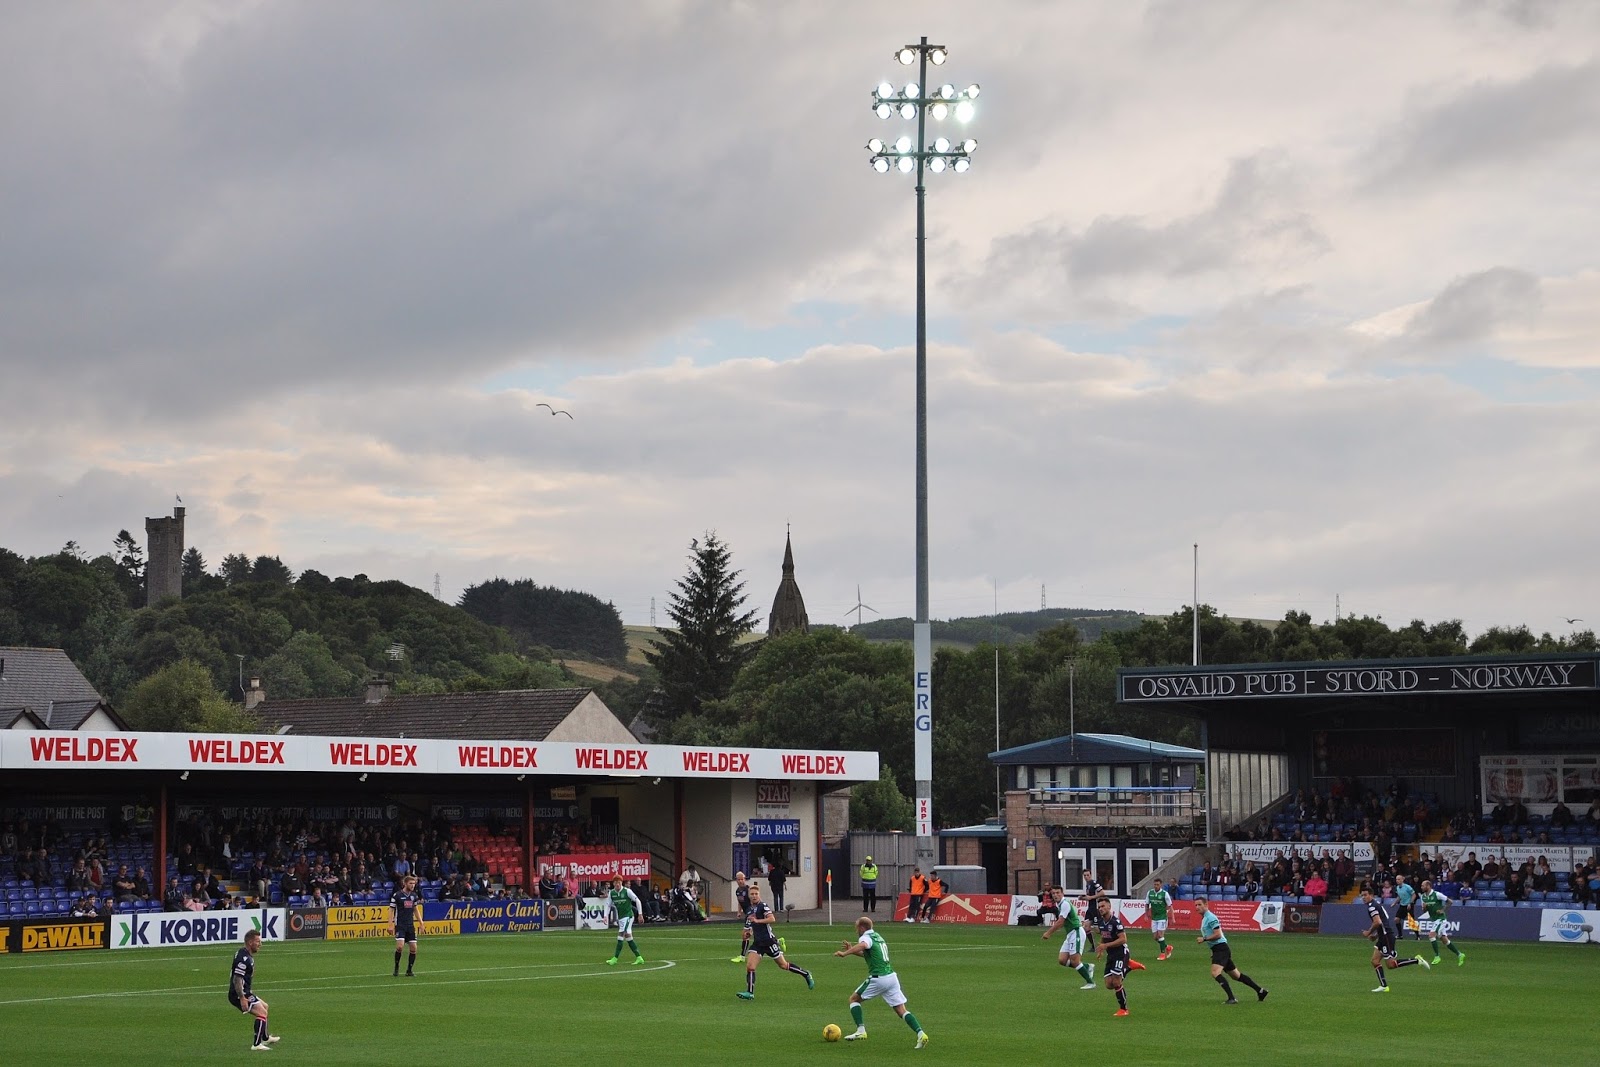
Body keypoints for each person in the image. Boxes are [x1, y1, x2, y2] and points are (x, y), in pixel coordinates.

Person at [834, 916, 928, 1048]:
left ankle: (861, 1030)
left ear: (862, 928)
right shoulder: (878, 936)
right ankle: (921, 1034)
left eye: (857, 928)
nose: (856, 931)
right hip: (891, 978)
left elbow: (863, 945)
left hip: (879, 978)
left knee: (854, 999)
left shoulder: (865, 937)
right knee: (901, 1010)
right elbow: (869, 954)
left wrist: (845, 953)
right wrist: (852, 950)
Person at [736, 884, 813, 999]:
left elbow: (772, 919)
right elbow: (749, 927)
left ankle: (806, 974)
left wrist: (757, 921)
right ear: (749, 896)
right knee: (750, 966)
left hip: (769, 941)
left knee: (783, 965)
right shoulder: (749, 910)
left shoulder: (763, 906)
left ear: (759, 895)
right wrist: (748, 933)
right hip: (758, 943)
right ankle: (750, 993)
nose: (754, 896)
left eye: (756, 894)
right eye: (752, 894)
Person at [1194, 897, 1268, 1004]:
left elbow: (1218, 935)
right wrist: (1213, 951)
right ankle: (1261, 991)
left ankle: (1232, 998)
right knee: (1236, 976)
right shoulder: (1205, 918)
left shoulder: (1210, 917)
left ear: (1206, 905)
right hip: (1218, 949)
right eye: (1196, 905)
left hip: (1221, 949)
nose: (1197, 907)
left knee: (1215, 973)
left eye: (1199, 904)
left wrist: (1204, 939)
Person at [1361, 883, 1429, 992]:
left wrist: (1368, 932)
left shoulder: (1372, 907)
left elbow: (1377, 922)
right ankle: (1384, 986)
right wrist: (1376, 935)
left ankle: (1417, 960)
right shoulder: (1376, 904)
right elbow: (1384, 922)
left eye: (1365, 895)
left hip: (1387, 937)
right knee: (1375, 961)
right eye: (1362, 895)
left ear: (1371, 895)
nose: (1363, 897)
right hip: (1383, 936)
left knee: (1391, 965)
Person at [227, 929, 280, 1052]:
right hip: (239, 994)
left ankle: (265, 1037)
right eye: (257, 941)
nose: (260, 944)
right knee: (262, 1013)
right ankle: (256, 1044)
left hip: (244, 991)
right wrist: (242, 998)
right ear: (250, 942)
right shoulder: (244, 959)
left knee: (265, 1006)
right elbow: (237, 979)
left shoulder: (243, 953)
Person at [1040, 886, 1096, 989]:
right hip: (1070, 934)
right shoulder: (1060, 904)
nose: (1055, 895)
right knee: (1062, 960)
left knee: (1075, 961)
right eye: (1053, 893)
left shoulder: (1065, 904)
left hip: (1076, 932)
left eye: (1058, 893)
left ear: (1062, 893)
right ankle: (1087, 966)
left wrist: (1048, 933)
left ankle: (1090, 982)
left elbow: (1060, 922)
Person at [1093, 895, 1132, 1017]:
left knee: (1116, 982)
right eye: (1099, 907)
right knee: (1108, 984)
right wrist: (1101, 949)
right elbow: (1104, 935)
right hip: (1111, 954)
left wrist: (1106, 945)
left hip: (1121, 953)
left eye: (1103, 906)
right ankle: (1128, 967)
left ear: (1109, 907)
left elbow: (1123, 939)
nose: (1100, 909)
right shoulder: (1101, 922)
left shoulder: (1116, 922)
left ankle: (1124, 1009)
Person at [1417, 879, 1464, 966]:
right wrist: (1424, 908)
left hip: (1441, 919)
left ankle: (1437, 956)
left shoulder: (1437, 894)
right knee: (1444, 940)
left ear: (1428, 886)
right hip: (1434, 920)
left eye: (1423, 885)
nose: (1421, 887)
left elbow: (1450, 901)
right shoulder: (1423, 897)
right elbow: (1424, 911)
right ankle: (1460, 954)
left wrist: (1443, 910)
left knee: (1431, 935)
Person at [604, 874, 647, 966]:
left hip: (628, 916)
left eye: (619, 882)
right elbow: (607, 905)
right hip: (621, 918)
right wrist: (605, 916)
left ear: (621, 883)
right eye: (616, 882)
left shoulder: (627, 891)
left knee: (620, 936)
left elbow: (637, 901)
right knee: (628, 937)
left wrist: (640, 914)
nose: (617, 884)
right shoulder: (612, 893)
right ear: (613, 883)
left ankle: (615, 958)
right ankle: (639, 957)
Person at [389, 873, 421, 977]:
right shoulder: (397, 895)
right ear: (405, 883)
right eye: (411, 883)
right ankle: (396, 966)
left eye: (414, 883)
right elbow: (391, 910)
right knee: (400, 947)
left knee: (414, 948)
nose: (413, 885)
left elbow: (415, 909)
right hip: (400, 925)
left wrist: (421, 922)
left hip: (410, 925)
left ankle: (409, 970)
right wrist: (390, 924)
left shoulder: (414, 896)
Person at [1146, 878, 1174, 960]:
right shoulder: (1150, 893)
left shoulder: (1165, 894)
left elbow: (1170, 906)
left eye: (1157, 884)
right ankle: (1167, 947)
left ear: (1160, 885)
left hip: (1162, 917)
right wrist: (1146, 915)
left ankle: (1162, 954)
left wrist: (1173, 918)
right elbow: (1147, 904)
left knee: (1160, 935)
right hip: (1154, 918)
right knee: (1155, 937)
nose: (1156, 886)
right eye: (1155, 884)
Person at [731, 871, 754, 962]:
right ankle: (778, 941)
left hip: (751, 914)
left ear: (744, 879)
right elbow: (740, 902)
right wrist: (739, 912)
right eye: (739, 879)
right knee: (760, 934)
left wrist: (753, 914)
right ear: (736, 880)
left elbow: (753, 902)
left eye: (742, 879)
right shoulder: (737, 891)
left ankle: (742, 956)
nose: (740, 881)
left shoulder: (748, 890)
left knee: (745, 934)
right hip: (747, 914)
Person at [1393, 874, 1418, 939]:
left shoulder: (1407, 887)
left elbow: (1414, 895)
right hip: (1402, 905)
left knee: (1411, 921)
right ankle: (1400, 935)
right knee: (1396, 919)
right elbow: (1399, 896)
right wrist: (1394, 903)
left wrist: (1410, 903)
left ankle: (1418, 935)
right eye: (1396, 879)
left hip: (1408, 905)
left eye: (1399, 879)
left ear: (1402, 880)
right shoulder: (1397, 888)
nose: (1397, 881)